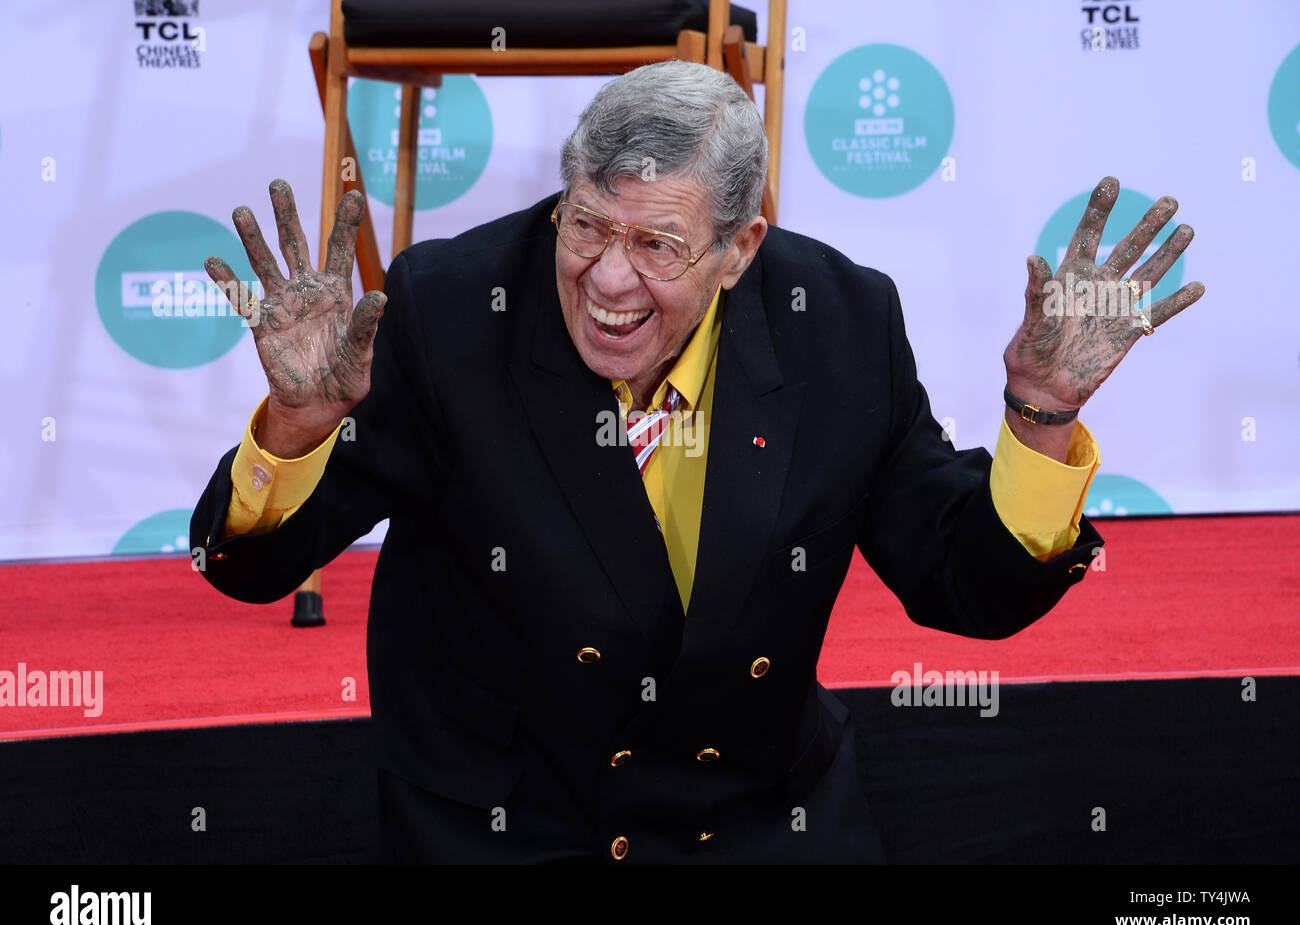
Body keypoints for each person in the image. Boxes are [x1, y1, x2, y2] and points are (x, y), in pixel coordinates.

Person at [191, 60, 1203, 863]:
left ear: (742, 246)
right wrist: (294, 423)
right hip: (510, 826)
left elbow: (963, 585)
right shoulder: (449, 308)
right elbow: (246, 567)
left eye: (657, 245)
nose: (607, 278)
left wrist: (1041, 417)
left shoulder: (839, 322)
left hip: (755, 820)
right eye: (584, 224)